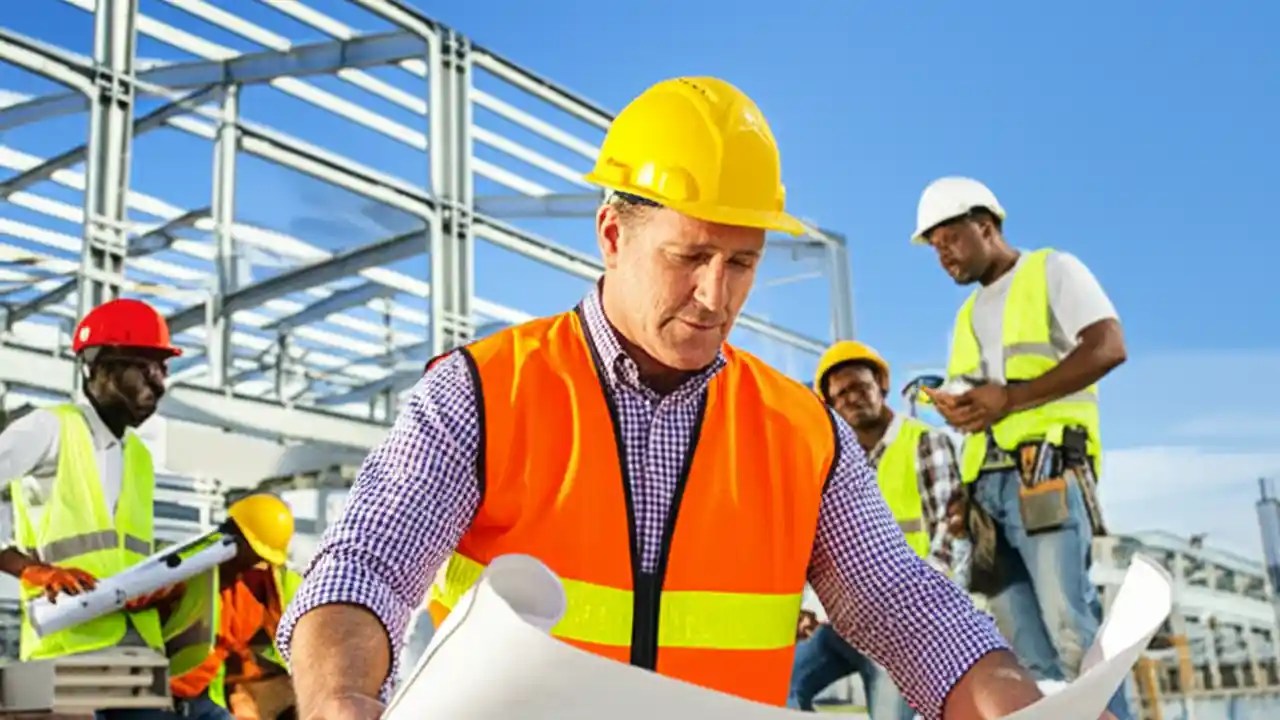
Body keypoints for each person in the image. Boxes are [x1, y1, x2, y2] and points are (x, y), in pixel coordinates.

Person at [278, 77, 1083, 720]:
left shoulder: (802, 430)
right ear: (612, 234)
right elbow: (364, 567)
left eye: (741, 263)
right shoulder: (483, 392)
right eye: (689, 255)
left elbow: (901, 600)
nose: (714, 294)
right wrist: (342, 697)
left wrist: (1025, 708)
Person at [911, 176, 1131, 720]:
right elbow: (983, 405)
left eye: (948, 241)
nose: (942, 258)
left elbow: (1108, 345)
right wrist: (963, 414)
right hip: (986, 490)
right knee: (1027, 657)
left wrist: (1009, 398)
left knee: (1071, 632)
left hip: (1044, 471)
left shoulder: (1053, 270)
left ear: (984, 226)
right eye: (934, 249)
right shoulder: (964, 317)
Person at [0, 297, 185, 720]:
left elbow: (122, 554)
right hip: (69, 652)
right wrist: (31, 570)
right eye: (146, 367)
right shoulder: (49, 428)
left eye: (163, 370)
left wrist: (160, 586)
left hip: (138, 661)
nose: (158, 385)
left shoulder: (138, 456)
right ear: (99, 366)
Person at [788, 341, 964, 718]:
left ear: (881, 387)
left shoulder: (924, 442)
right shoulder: (830, 463)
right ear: (832, 406)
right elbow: (824, 552)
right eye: (841, 394)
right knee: (776, 684)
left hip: (901, 627)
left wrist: (913, 607)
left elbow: (949, 540)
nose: (853, 398)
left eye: (861, 387)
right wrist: (809, 607)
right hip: (841, 625)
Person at [160, 493, 302, 720]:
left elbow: (241, 656)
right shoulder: (191, 566)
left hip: (204, 694)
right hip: (163, 688)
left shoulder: (256, 590)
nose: (256, 563)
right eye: (255, 555)